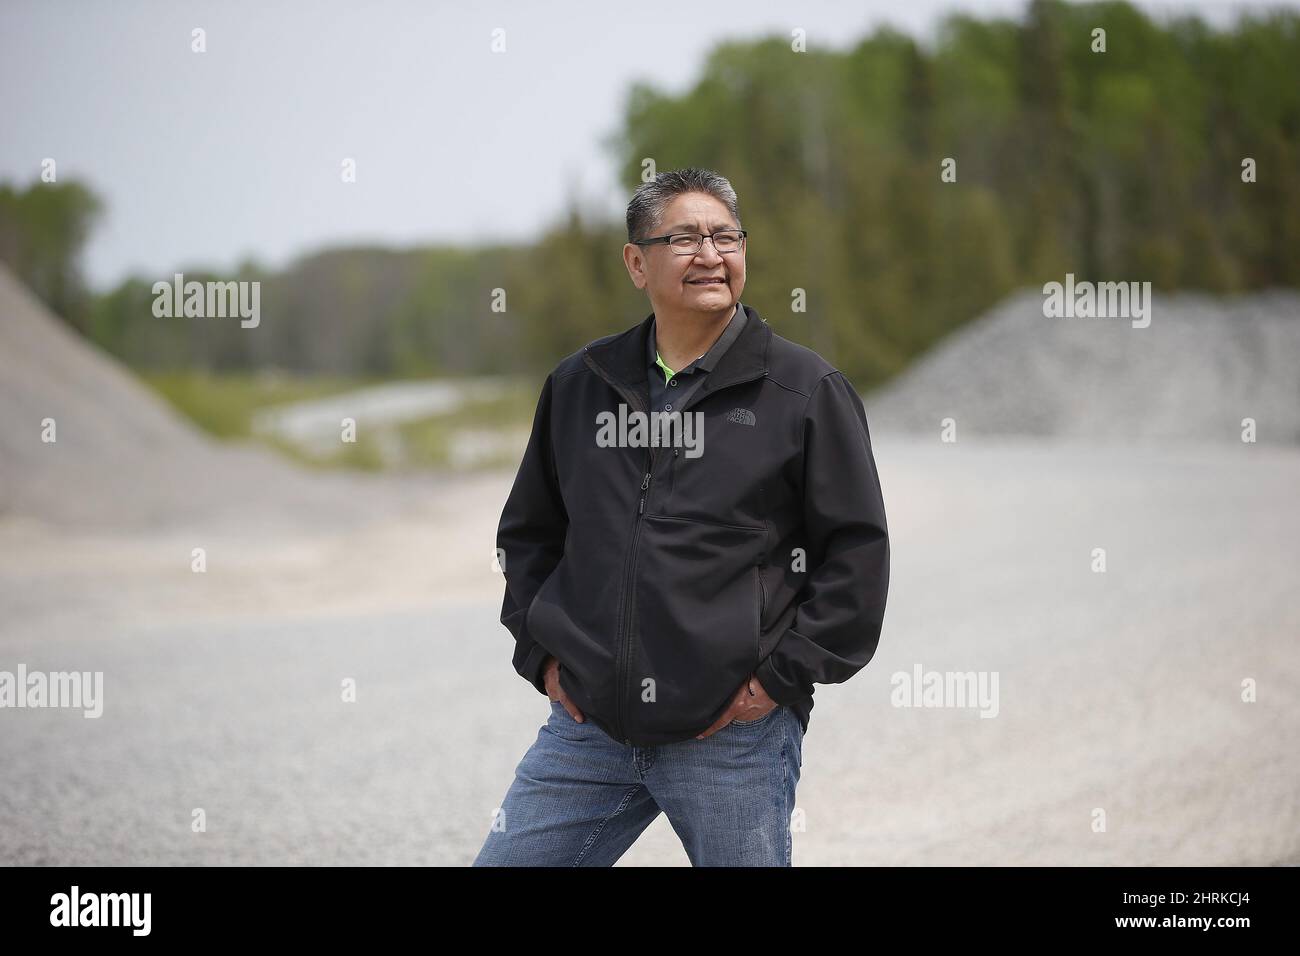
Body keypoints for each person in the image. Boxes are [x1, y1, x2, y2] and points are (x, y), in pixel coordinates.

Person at [473, 167, 890, 866]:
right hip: (591, 730)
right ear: (637, 262)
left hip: (730, 736)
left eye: (727, 237)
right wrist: (543, 655)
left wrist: (779, 680)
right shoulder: (581, 384)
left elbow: (856, 552)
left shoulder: (803, 390)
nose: (711, 254)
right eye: (687, 238)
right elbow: (529, 534)